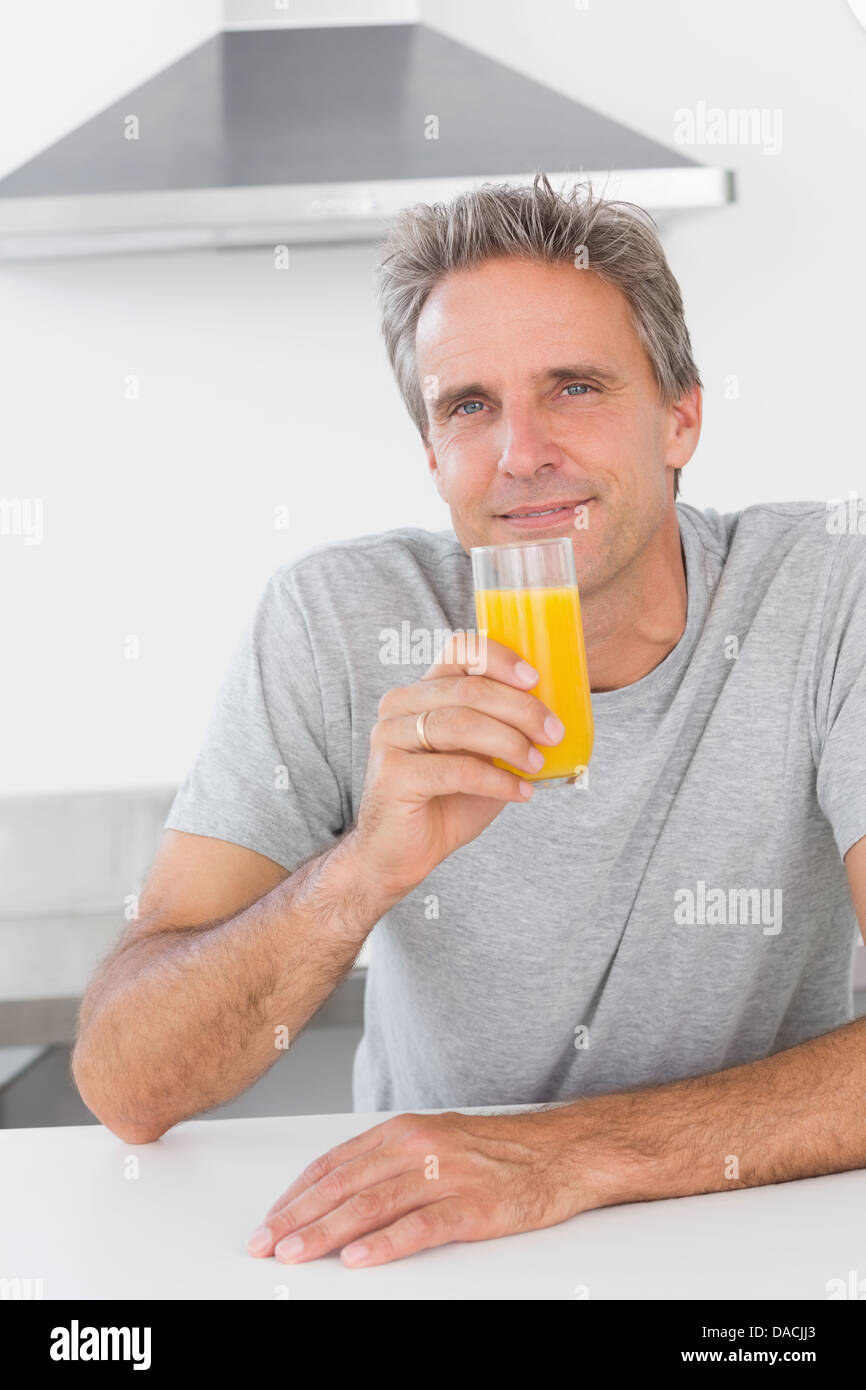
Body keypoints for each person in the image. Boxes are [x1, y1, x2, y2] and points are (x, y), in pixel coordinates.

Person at [72, 174, 866, 1271]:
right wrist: (361, 870)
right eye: (468, 406)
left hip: (759, 1244)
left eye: (575, 388)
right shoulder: (336, 620)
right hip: (433, 1257)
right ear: (431, 454)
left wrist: (559, 1157)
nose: (519, 455)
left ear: (679, 415)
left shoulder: (828, 590)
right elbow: (126, 1083)